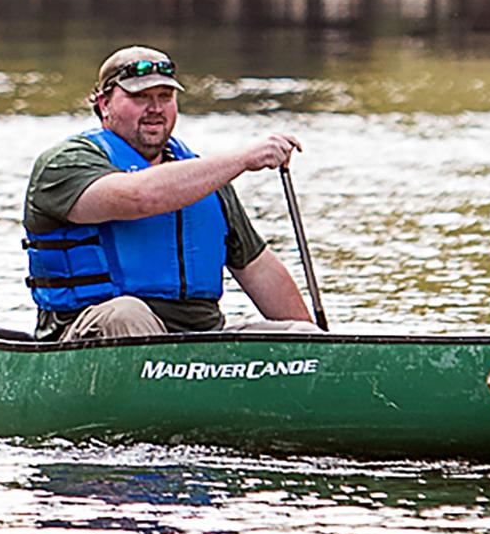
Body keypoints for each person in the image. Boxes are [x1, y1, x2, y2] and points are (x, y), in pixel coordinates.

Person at [23, 46, 323, 341]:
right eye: (139, 97)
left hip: (198, 341)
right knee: (128, 314)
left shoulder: (203, 178)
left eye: (164, 97)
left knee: (300, 333)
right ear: (104, 105)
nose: (155, 108)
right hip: (91, 334)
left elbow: (259, 270)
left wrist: (323, 348)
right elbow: (139, 197)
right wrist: (243, 159)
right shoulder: (65, 164)